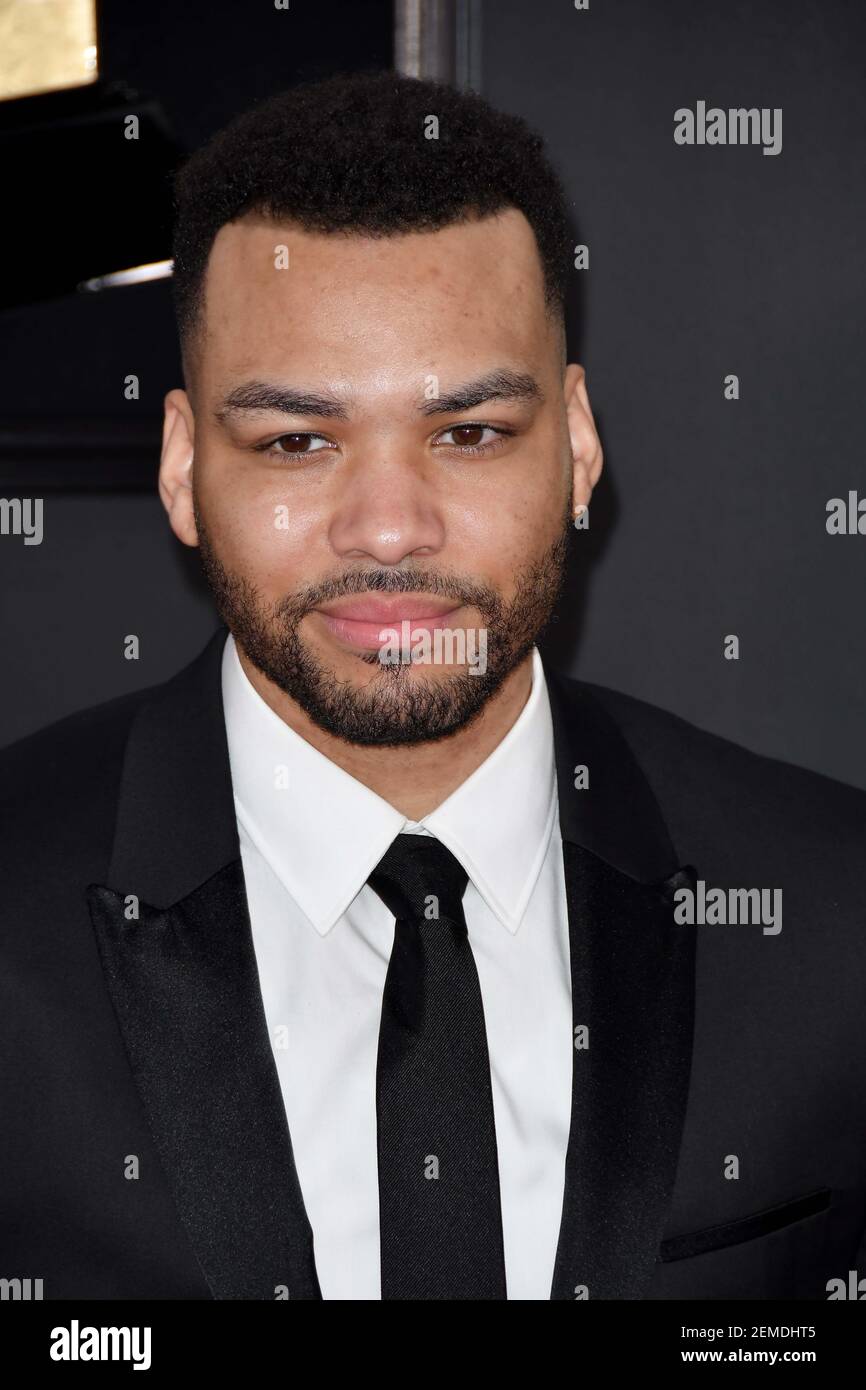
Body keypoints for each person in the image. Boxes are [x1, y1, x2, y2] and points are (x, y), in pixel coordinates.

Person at [2, 70, 864, 1302]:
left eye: (467, 432)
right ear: (185, 470)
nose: (391, 528)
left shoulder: (832, 915)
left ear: (575, 446)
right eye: (297, 439)